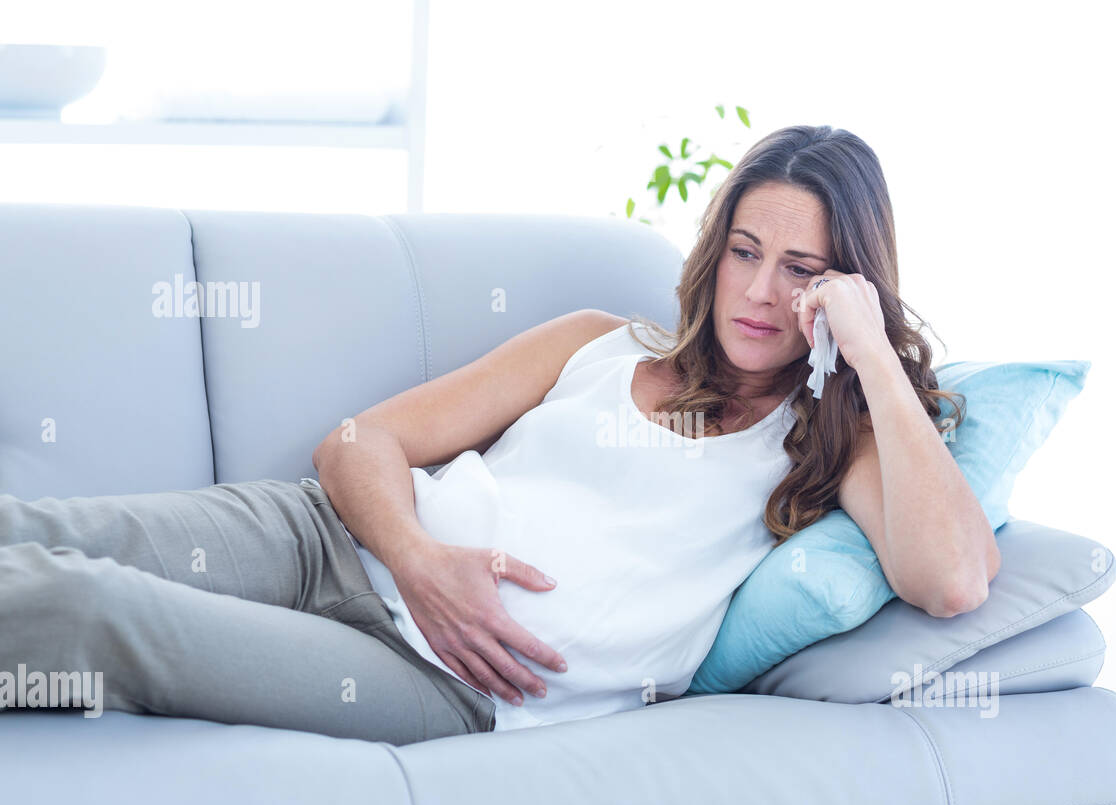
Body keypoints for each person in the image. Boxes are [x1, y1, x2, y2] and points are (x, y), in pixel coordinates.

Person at [0, 125, 999, 745]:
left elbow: (953, 577)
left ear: (845, 282)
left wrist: (868, 351)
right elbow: (358, 440)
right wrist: (421, 557)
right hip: (329, 534)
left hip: (437, 676)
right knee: (43, 528)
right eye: (743, 250)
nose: (757, 290)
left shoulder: (832, 448)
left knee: (90, 608)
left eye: (799, 268)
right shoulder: (601, 344)